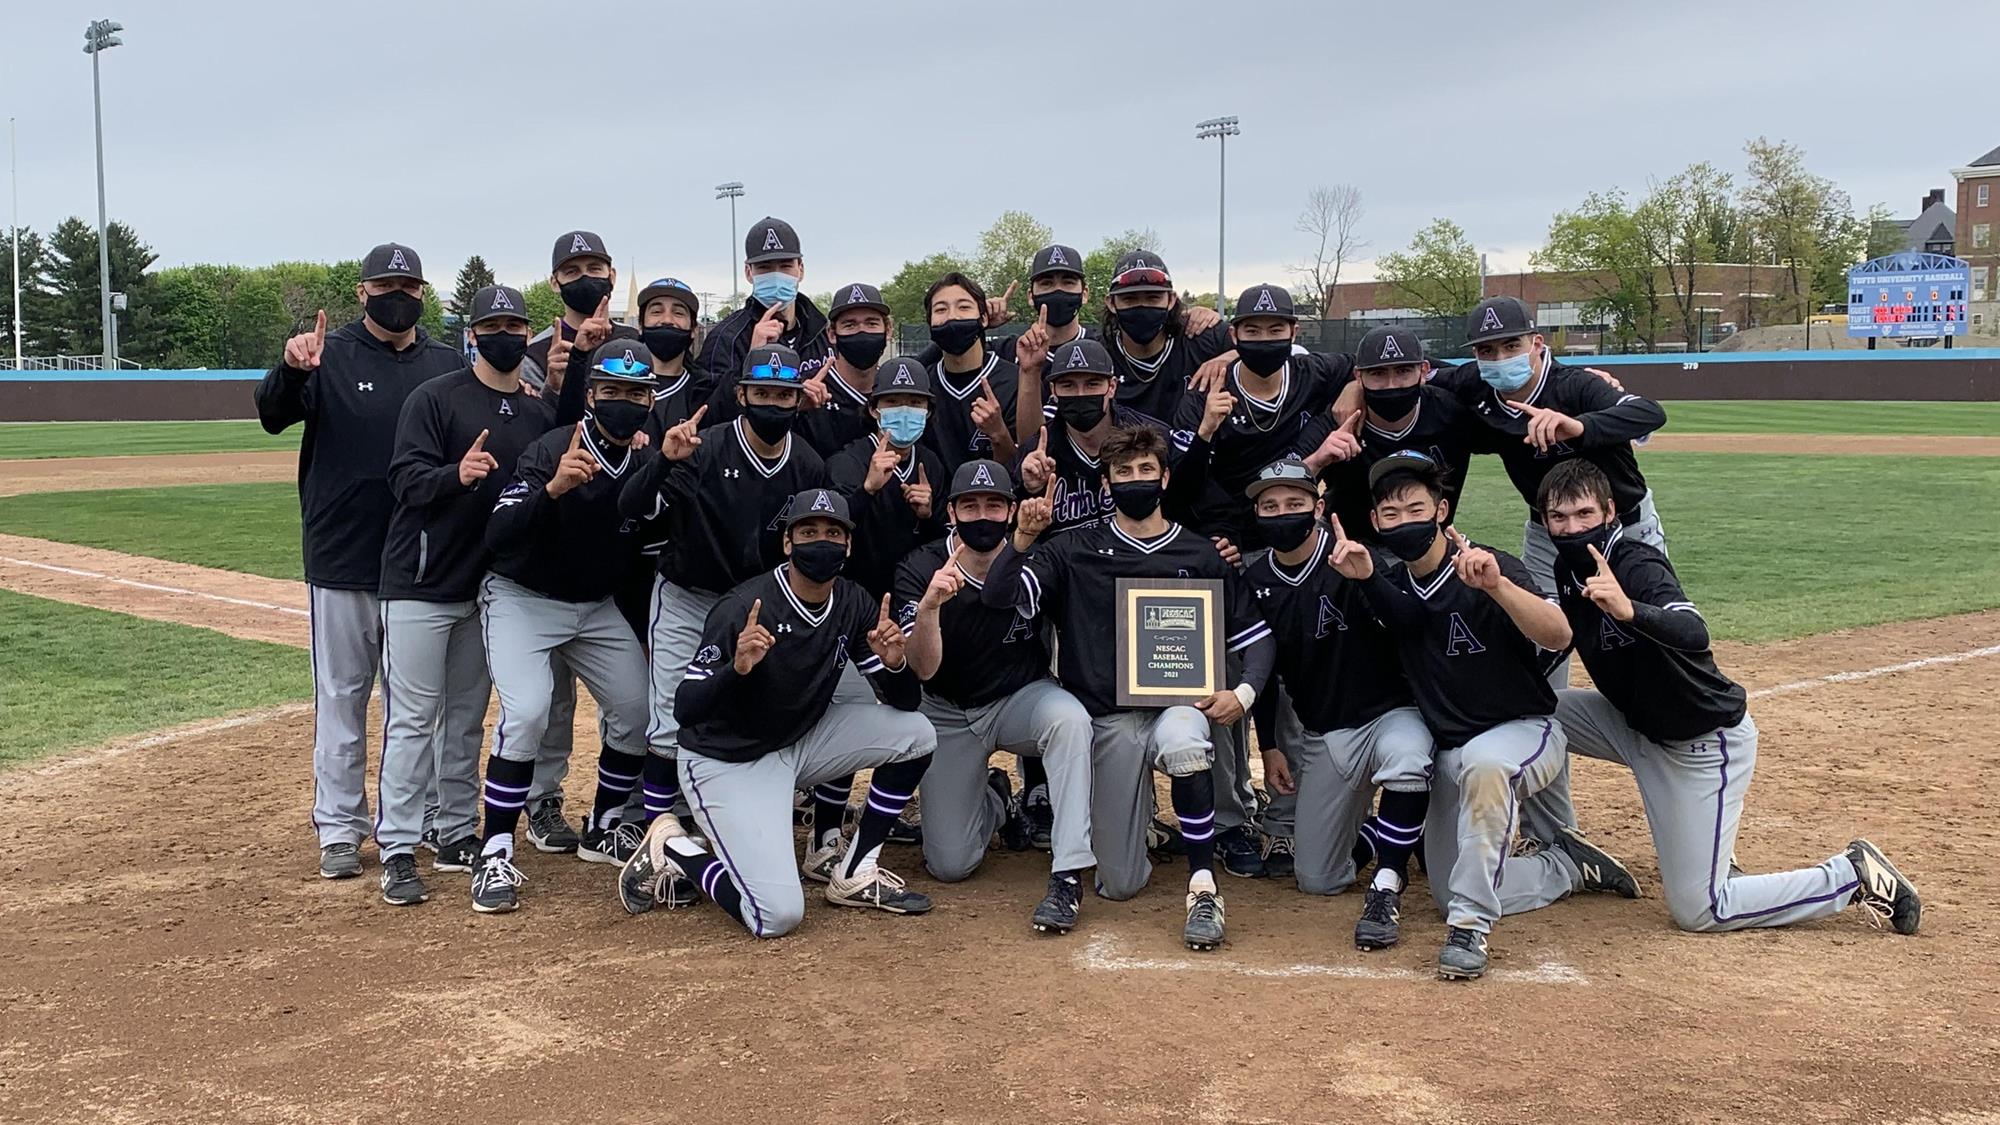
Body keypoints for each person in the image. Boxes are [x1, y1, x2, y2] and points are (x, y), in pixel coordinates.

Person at [1538, 459, 1921, 936]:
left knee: (1702, 908)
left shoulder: (1636, 564)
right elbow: (1567, 638)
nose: (1572, 528)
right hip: (1631, 725)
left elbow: (1693, 631)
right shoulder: (1567, 567)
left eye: (1584, 514)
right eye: (1559, 517)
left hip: (1700, 743)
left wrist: (1630, 610)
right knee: (1527, 709)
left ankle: (1852, 875)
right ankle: (1558, 842)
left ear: (1610, 512)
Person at [1332, 451, 1637, 980]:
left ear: (1441, 510)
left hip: (1521, 730)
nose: (1404, 522)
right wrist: (1364, 579)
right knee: (1446, 887)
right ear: (1375, 521)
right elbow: (1399, 630)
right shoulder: (1387, 582)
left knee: (1487, 766)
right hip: (1452, 751)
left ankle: (1469, 928)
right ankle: (1565, 866)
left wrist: (1497, 586)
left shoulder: (1486, 564)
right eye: (1391, 513)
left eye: (1416, 509)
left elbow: (1558, 634)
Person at [980, 425, 1275, 951]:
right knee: (1119, 883)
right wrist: (1022, 539)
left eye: (1145, 470)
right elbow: (997, 597)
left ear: (1165, 478)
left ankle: (1203, 887)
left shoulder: (1200, 553)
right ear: (1105, 483)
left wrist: (1244, 693)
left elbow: (1256, 637)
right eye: (1122, 472)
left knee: (1186, 742)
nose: (1135, 479)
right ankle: (1140, 830)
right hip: (1108, 719)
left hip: (1177, 707)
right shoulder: (1072, 549)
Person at [618, 489, 939, 934]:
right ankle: (674, 846)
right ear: (788, 543)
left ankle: (855, 872)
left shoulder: (852, 601)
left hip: (798, 742)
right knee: (776, 915)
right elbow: (686, 711)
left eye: (833, 533)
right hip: (727, 761)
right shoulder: (744, 607)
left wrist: (896, 666)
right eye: (809, 532)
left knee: (917, 733)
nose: (821, 541)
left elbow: (906, 703)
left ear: (848, 545)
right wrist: (735, 670)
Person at [254, 242, 465, 880]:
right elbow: (271, 415)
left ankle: (427, 815)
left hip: (424, 563)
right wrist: (292, 370)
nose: (397, 295)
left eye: (408, 286)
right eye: (384, 285)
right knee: (343, 699)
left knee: (422, 704)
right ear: (362, 291)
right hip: (344, 554)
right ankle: (341, 828)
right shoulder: (329, 353)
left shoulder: (446, 363)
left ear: (423, 292)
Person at [373, 285, 564, 905]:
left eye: (515, 325)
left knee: (465, 719)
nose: (505, 335)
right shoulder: (436, 397)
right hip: (421, 583)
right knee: (412, 720)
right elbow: (404, 479)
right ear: (473, 334)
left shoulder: (534, 411)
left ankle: (455, 831)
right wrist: (454, 475)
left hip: (487, 589)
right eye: (493, 326)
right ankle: (398, 848)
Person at [469, 340, 665, 912]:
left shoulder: (647, 464)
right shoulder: (554, 447)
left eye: (635, 393)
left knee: (636, 711)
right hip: (523, 596)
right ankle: (495, 849)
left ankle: (604, 825)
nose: (623, 402)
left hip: (594, 604)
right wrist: (553, 490)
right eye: (612, 391)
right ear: (591, 395)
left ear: (650, 401)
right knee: (528, 712)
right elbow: (498, 535)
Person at [617, 344, 830, 857]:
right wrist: (663, 462)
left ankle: (715, 822)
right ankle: (658, 839)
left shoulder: (807, 463)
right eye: (762, 394)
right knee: (670, 719)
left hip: (756, 606)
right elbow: (631, 507)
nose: (773, 405)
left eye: (783, 395)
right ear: (741, 395)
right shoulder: (704, 446)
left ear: (798, 400)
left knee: (742, 712)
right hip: (688, 595)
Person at [1240, 458, 1431, 951]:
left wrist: (1367, 579)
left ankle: (1387, 881)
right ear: (1257, 514)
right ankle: (1390, 830)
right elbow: (1262, 669)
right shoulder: (1255, 578)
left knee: (1409, 758)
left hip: (1392, 714)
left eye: (1295, 503)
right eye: (1270, 506)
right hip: (1326, 732)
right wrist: (1269, 744)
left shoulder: (1358, 557)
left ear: (1319, 508)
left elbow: (1412, 627)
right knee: (1318, 878)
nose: (1283, 513)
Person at [898, 460, 1095, 933]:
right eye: (970, 506)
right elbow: (922, 668)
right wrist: (929, 609)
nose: (982, 515)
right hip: (946, 711)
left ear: (1011, 510)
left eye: (993, 505)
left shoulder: (1037, 558)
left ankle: (1068, 870)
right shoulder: (920, 566)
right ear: (951, 513)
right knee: (951, 864)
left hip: (1019, 698)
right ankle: (997, 799)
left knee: (1071, 721)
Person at [516, 230, 637, 854]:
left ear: (612, 273)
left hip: (614, 555)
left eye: (596, 265)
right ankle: (543, 800)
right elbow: (531, 437)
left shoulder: (634, 342)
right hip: (548, 538)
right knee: (551, 700)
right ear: (555, 280)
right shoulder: (533, 349)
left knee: (631, 697)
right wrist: (557, 385)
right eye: (573, 268)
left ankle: (620, 809)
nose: (586, 276)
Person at [1299, 325, 1494, 540]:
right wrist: (1318, 460)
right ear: (1358, 377)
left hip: (1429, 544)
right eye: (1378, 373)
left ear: (1423, 371)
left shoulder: (1453, 412)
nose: (1391, 385)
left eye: (1403, 371)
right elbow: (1283, 480)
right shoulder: (1337, 419)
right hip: (1347, 543)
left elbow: (1502, 414)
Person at [1013, 338, 1176, 539]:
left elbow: (1184, 509)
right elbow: (1013, 529)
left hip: (1136, 555)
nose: (1080, 394)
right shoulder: (1037, 452)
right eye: (1068, 385)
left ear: (1112, 387)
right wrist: (1029, 490)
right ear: (1053, 391)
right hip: (1065, 557)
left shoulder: (1152, 438)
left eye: (1092, 384)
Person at [824, 356, 948, 602]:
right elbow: (831, 529)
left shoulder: (930, 463)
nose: (904, 410)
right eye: (892, 402)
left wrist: (928, 515)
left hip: (914, 590)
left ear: (928, 411)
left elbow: (942, 537)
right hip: (857, 593)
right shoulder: (848, 461)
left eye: (915, 402)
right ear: (874, 409)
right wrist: (867, 489)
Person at [698, 216, 831, 425]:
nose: (776, 276)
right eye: (764, 267)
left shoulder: (823, 332)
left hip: (810, 446)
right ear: (748, 272)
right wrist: (749, 362)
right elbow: (705, 418)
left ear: (801, 269)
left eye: (785, 266)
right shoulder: (726, 338)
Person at [1097, 250, 1232, 425]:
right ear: (1111, 303)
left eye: (1153, 298)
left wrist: (1230, 358)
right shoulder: (1097, 353)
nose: (1142, 307)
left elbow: (1261, 350)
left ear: (1171, 300)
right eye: (1129, 299)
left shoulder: (1200, 335)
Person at [923, 271, 1021, 478]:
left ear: (984, 318)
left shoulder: (1016, 380)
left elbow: (1022, 467)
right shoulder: (922, 385)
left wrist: (998, 433)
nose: (952, 316)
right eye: (940, 309)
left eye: (964, 307)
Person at [797, 282, 895, 459]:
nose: (862, 332)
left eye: (871, 323)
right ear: (832, 334)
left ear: (888, 330)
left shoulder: (896, 389)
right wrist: (794, 409)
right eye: (850, 325)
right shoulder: (807, 390)